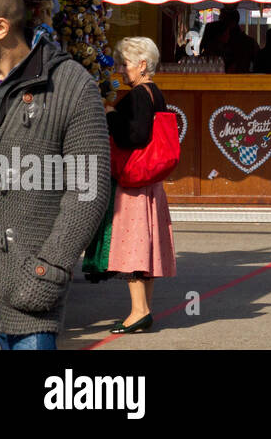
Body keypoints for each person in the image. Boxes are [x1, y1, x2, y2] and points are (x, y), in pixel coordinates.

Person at [0, 0, 110, 350]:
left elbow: (88, 189)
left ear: (0, 28)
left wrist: (49, 270)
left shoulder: (71, 85)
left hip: (27, 300)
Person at [100, 36, 178, 333]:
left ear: (142, 64)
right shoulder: (156, 93)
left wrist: (110, 115)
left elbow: (135, 136)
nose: (122, 69)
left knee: (133, 245)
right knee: (147, 245)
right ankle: (144, 308)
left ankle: (138, 311)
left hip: (135, 180)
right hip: (151, 181)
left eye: (126, 63)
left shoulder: (137, 95)